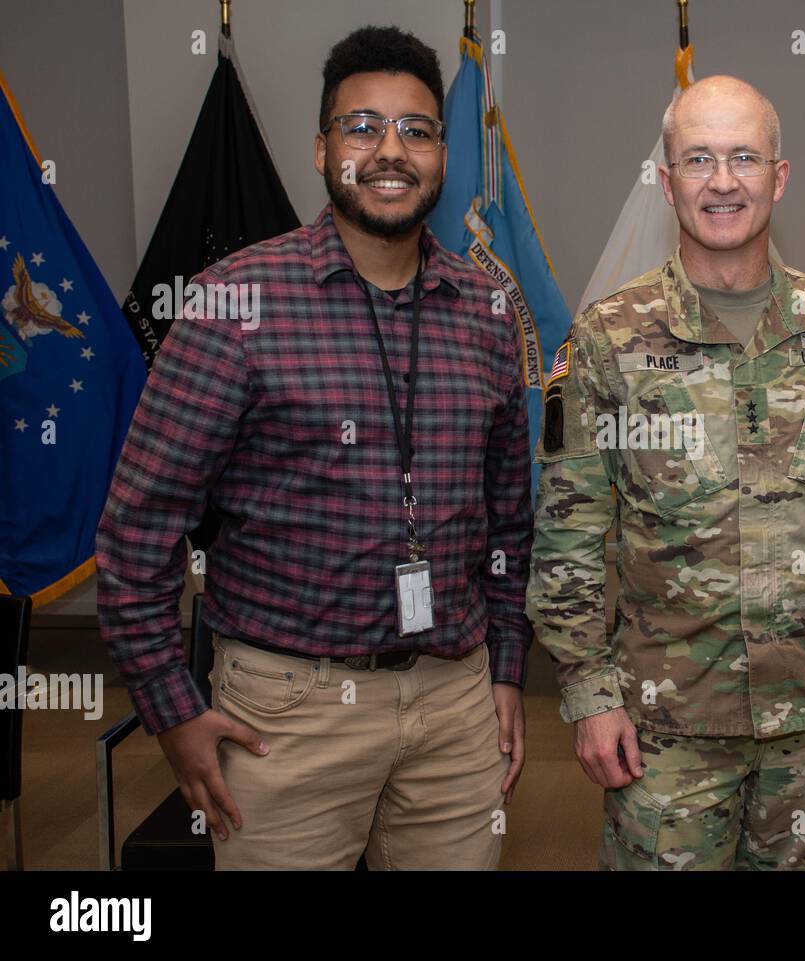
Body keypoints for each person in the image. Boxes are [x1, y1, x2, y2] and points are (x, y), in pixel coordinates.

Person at [96, 25, 532, 870]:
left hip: (454, 702)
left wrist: (506, 671)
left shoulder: (485, 309)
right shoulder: (235, 303)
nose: (389, 150)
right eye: (362, 126)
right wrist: (171, 707)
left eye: (416, 129)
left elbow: (510, 524)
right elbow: (137, 532)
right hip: (285, 714)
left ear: (442, 153)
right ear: (321, 147)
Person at [527, 75, 805, 870]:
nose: (724, 181)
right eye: (699, 159)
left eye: (744, 157)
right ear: (667, 182)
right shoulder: (608, 338)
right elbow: (569, 536)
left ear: (780, 175)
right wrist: (589, 695)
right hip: (666, 725)